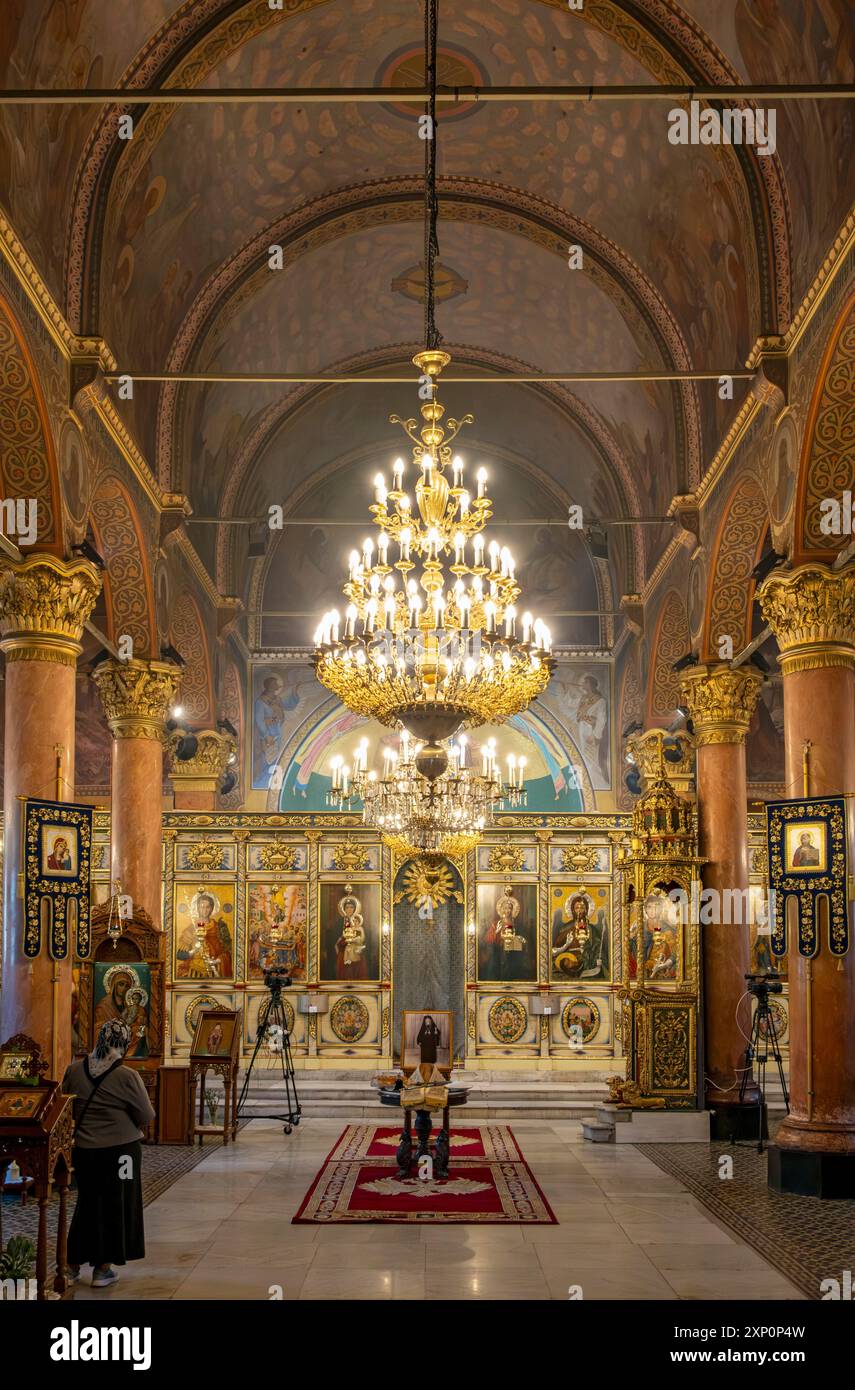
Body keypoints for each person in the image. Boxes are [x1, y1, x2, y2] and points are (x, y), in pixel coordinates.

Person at [62, 1019, 155, 1289]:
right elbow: (146, 1115)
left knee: (87, 1205)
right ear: (123, 1045)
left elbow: (66, 1106)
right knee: (118, 1205)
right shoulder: (127, 1075)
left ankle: (71, 1265)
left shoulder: (74, 1070)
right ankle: (103, 1270)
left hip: (85, 1152)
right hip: (122, 1153)